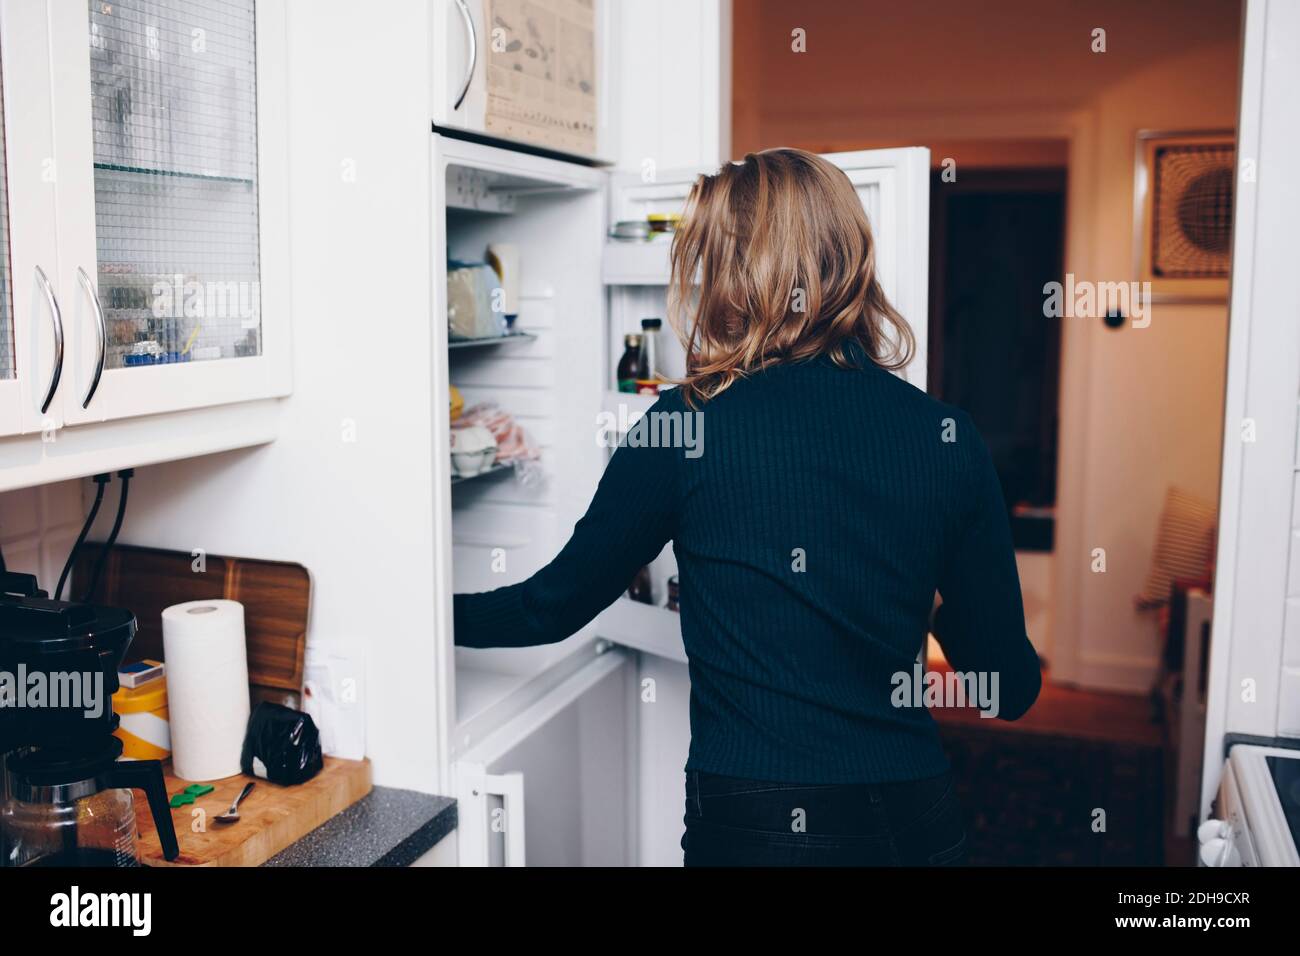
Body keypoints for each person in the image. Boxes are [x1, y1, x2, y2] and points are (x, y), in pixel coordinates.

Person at [454, 148, 1042, 866]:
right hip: (914, 821)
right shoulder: (949, 437)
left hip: (755, 828)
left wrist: (429, 617)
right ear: (848, 256)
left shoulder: (686, 425)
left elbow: (552, 605)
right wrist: (939, 606)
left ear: (736, 277)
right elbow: (1009, 690)